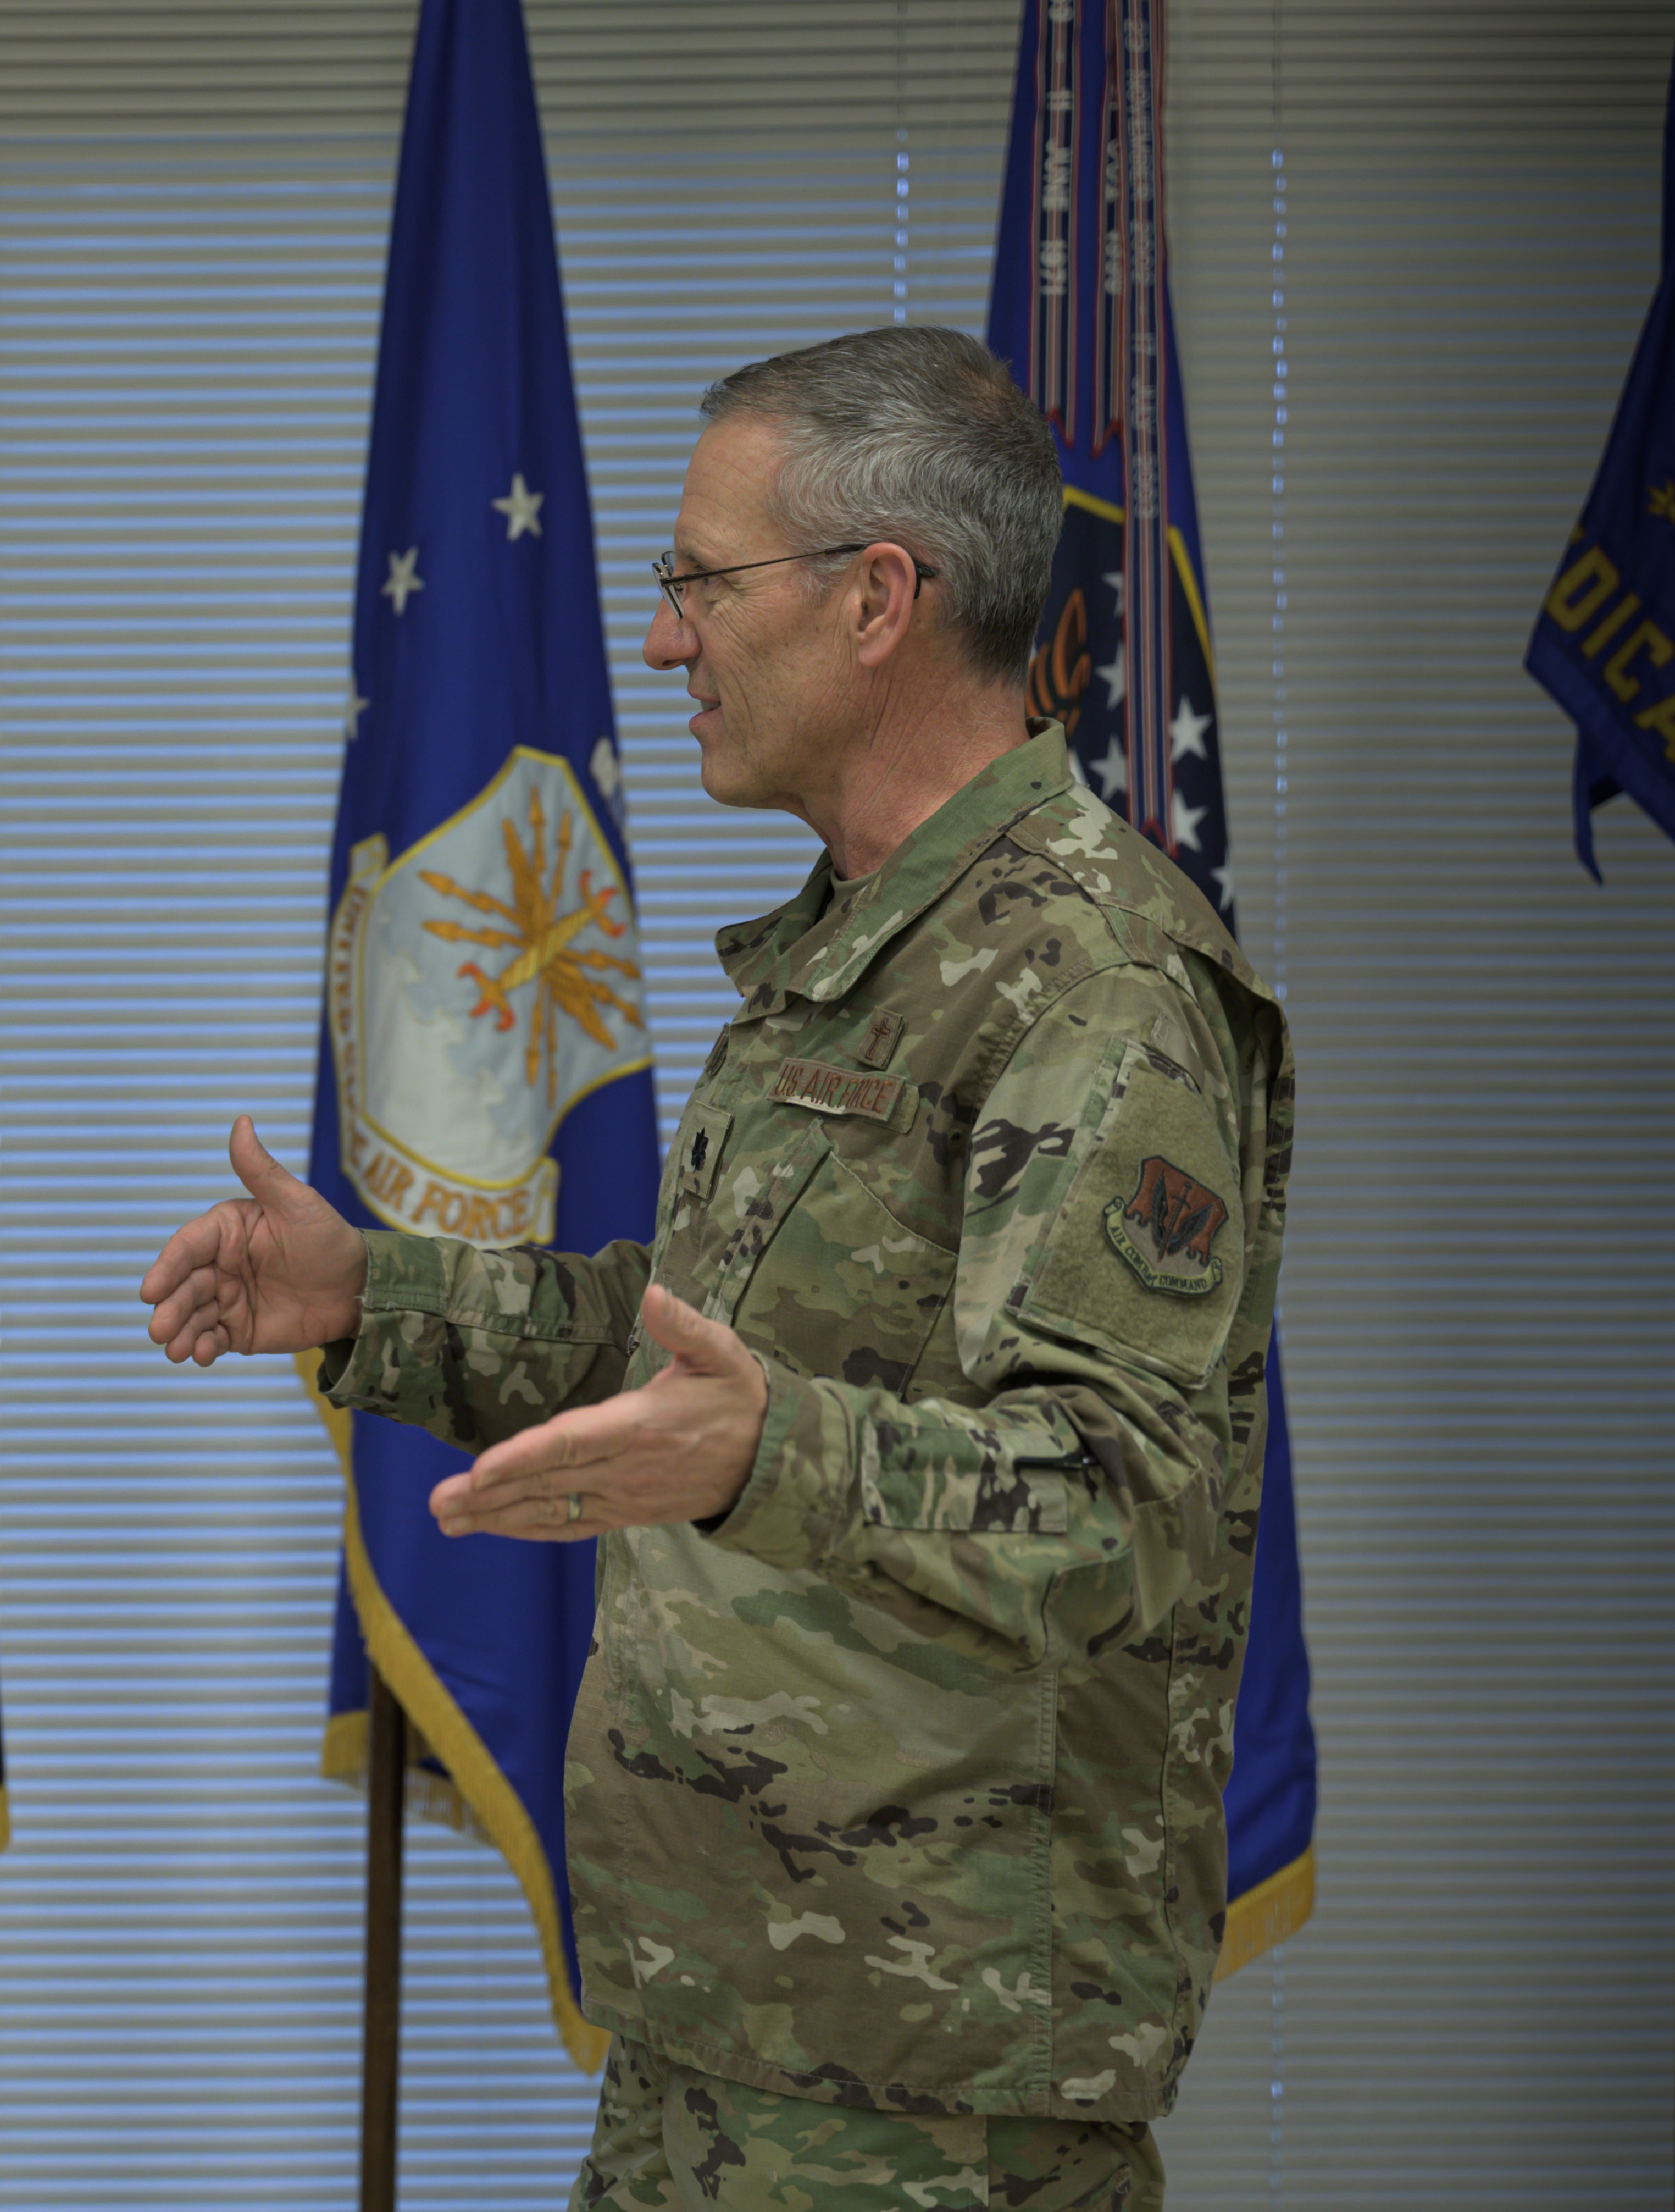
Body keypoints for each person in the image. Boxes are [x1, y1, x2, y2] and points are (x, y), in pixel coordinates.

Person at [141, 327, 1290, 2209]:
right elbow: (691, 1350)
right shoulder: (861, 948)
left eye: (700, 580)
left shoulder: (1098, 983)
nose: (664, 638)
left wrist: (774, 1459)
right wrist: (377, 1296)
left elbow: (1127, 1503)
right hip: (727, 2033)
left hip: (937, 2100)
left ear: (878, 602)